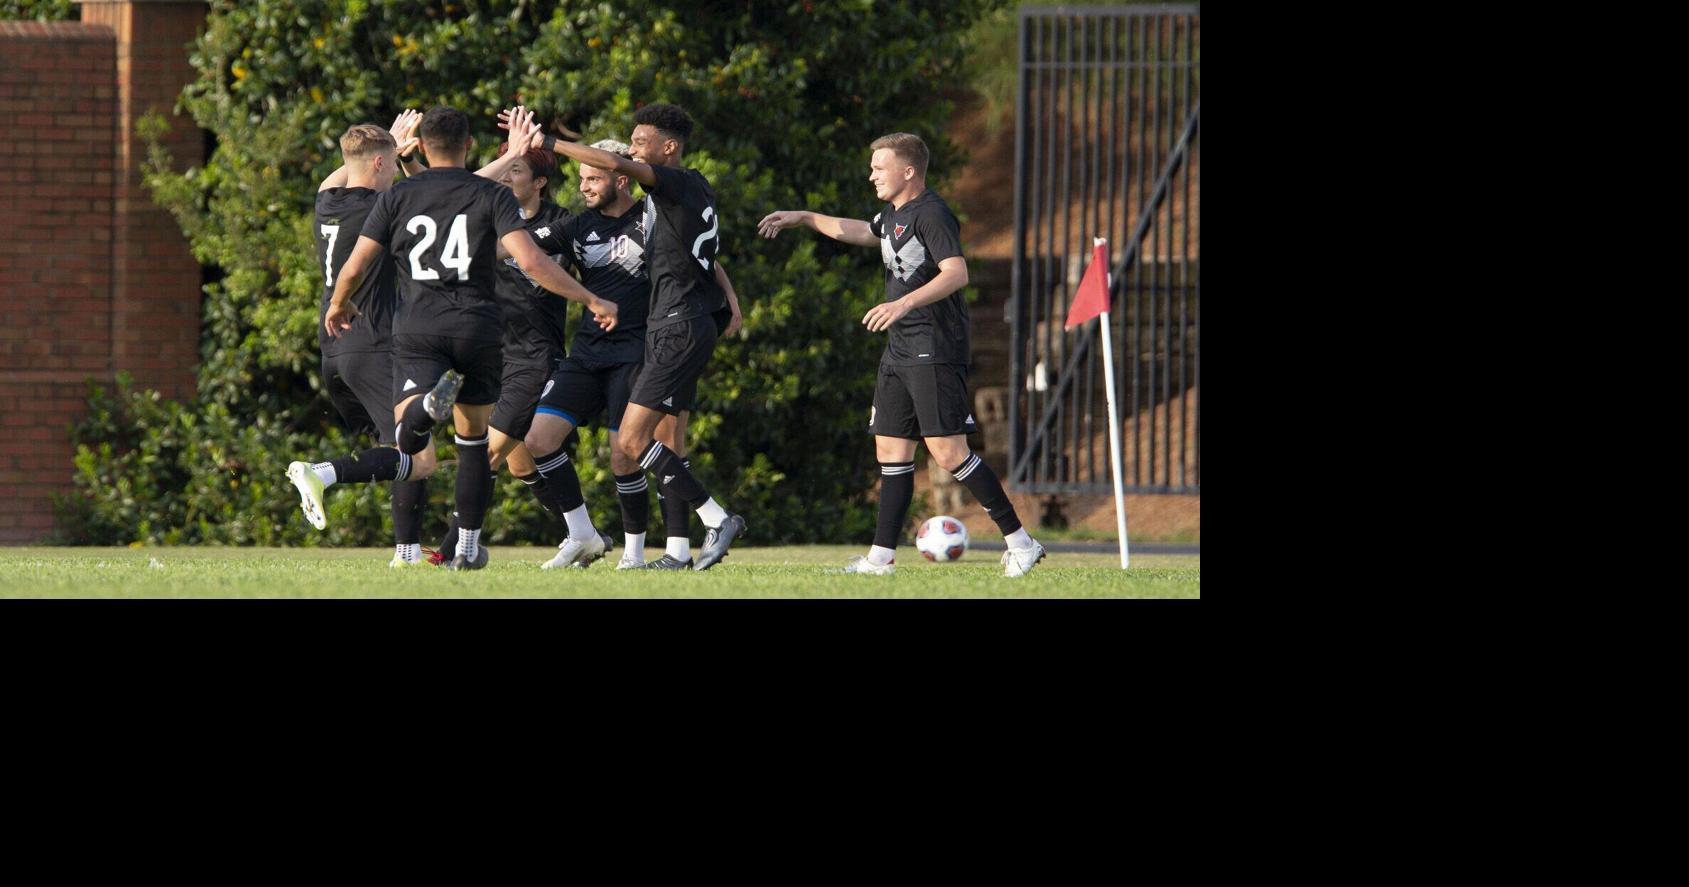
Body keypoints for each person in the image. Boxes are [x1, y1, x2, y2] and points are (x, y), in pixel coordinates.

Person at [324, 106, 618, 570]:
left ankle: (424, 416)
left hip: (418, 329)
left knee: (415, 435)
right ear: (467, 147)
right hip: (478, 332)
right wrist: (593, 300)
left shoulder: (400, 196)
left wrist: (340, 302)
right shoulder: (491, 197)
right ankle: (466, 548)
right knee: (477, 445)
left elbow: (357, 263)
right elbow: (533, 262)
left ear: (421, 145)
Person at [757, 132, 1046, 577]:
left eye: (879, 167)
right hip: (900, 349)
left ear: (908, 171)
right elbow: (862, 231)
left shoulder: (932, 214)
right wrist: (806, 217)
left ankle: (1021, 543)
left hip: (935, 346)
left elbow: (957, 272)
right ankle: (881, 559)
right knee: (891, 449)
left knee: (949, 454)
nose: (871, 174)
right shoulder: (895, 212)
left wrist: (903, 302)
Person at [534, 102, 746, 570]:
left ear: (668, 148)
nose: (632, 151)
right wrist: (728, 296)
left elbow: (613, 163)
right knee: (653, 443)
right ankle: (677, 551)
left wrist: (548, 142)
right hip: (679, 324)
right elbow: (702, 256)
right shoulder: (688, 189)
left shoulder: (672, 182)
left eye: (641, 143)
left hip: (676, 326)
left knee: (633, 443)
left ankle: (717, 517)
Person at [286, 111, 438, 567]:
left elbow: (344, 169)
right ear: (377, 164)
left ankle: (406, 554)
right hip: (371, 345)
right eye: (390, 163)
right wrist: (509, 156)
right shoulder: (379, 210)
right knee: (422, 456)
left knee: (398, 450)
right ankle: (322, 473)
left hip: (334, 351)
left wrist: (388, 141)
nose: (395, 171)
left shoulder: (327, 201)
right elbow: (454, 196)